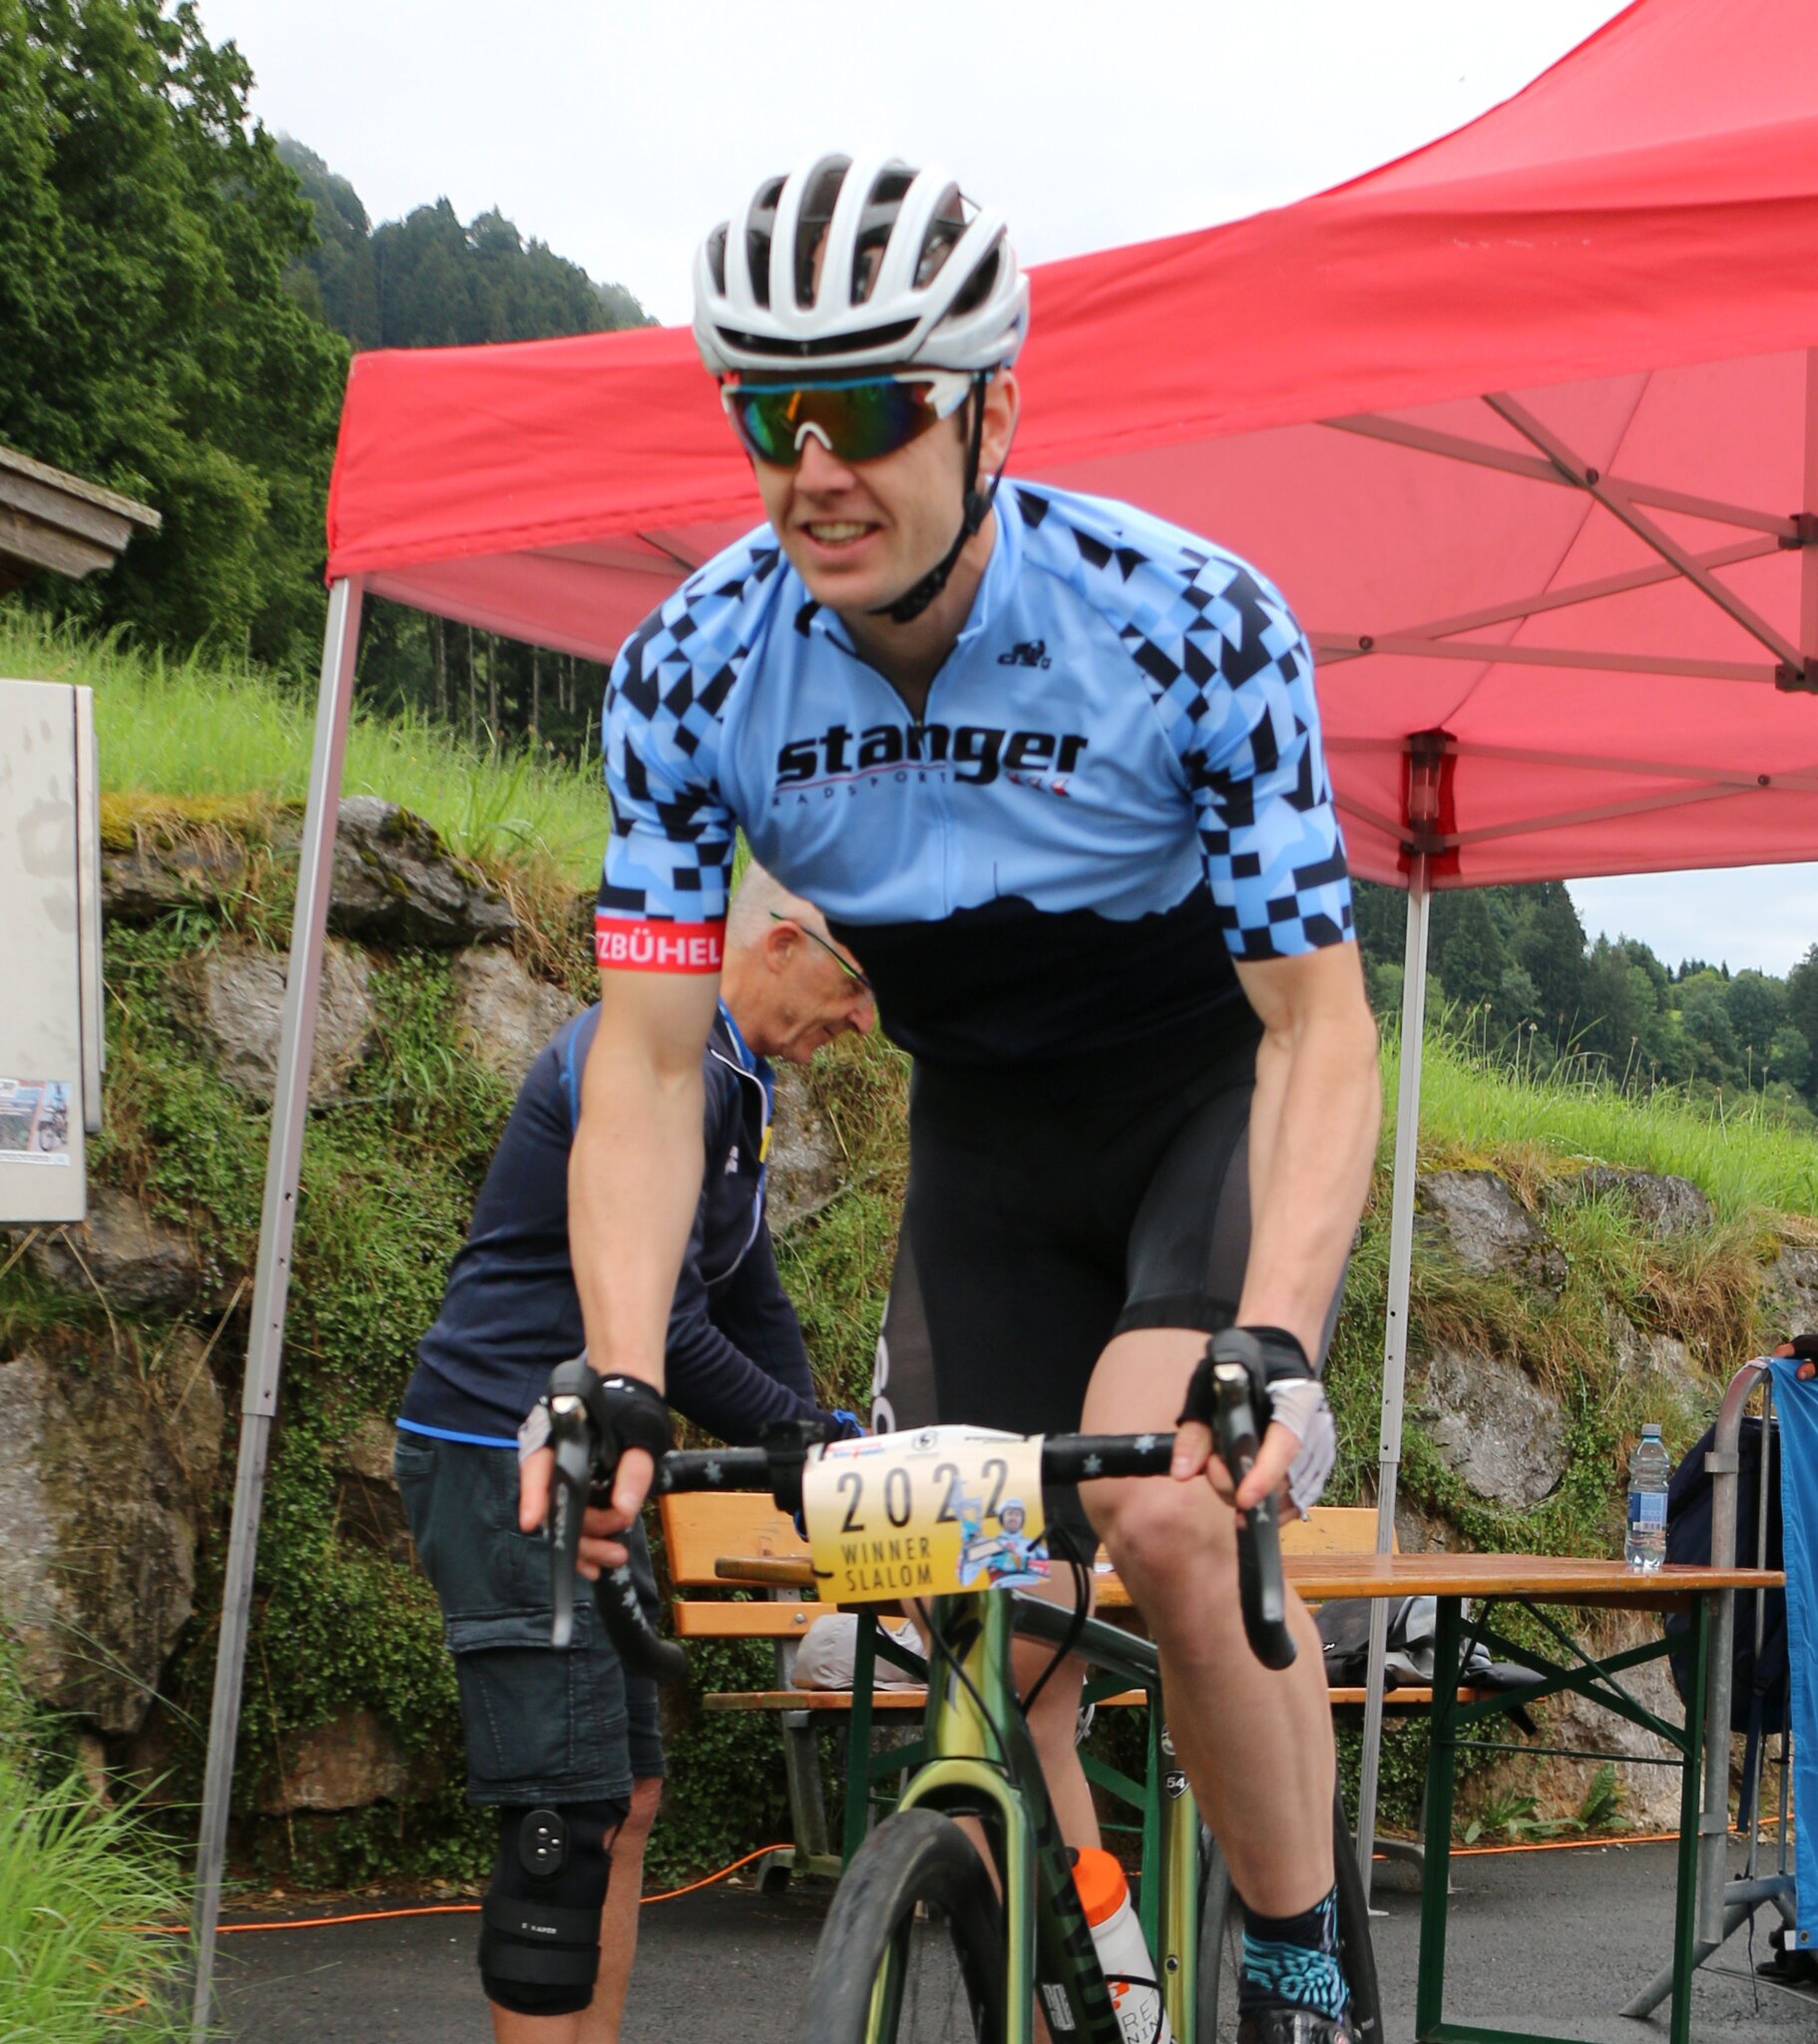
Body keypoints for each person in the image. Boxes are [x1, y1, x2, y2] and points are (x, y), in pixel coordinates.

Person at [525, 156, 1381, 2044]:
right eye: (770, 412)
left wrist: (1279, 1333)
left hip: (1194, 1113)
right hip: (985, 1148)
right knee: (971, 1613)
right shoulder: (692, 669)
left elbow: (1318, 1028)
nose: (815, 465)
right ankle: (1105, 1987)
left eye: (872, 407)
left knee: (1165, 1513)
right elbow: (651, 1063)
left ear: (991, 407)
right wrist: (611, 1365)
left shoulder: (1187, 623)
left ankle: (1308, 1971)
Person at [397, 866, 873, 2044]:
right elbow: (657, 1327)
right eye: (858, 985)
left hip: (596, 1459)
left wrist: (833, 1442)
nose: (863, 1020)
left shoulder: (731, 1075)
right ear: (775, 941)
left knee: (626, 1795)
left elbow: (741, 1289)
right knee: (557, 1822)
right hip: (508, 1447)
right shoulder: (655, 1062)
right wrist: (797, 1438)